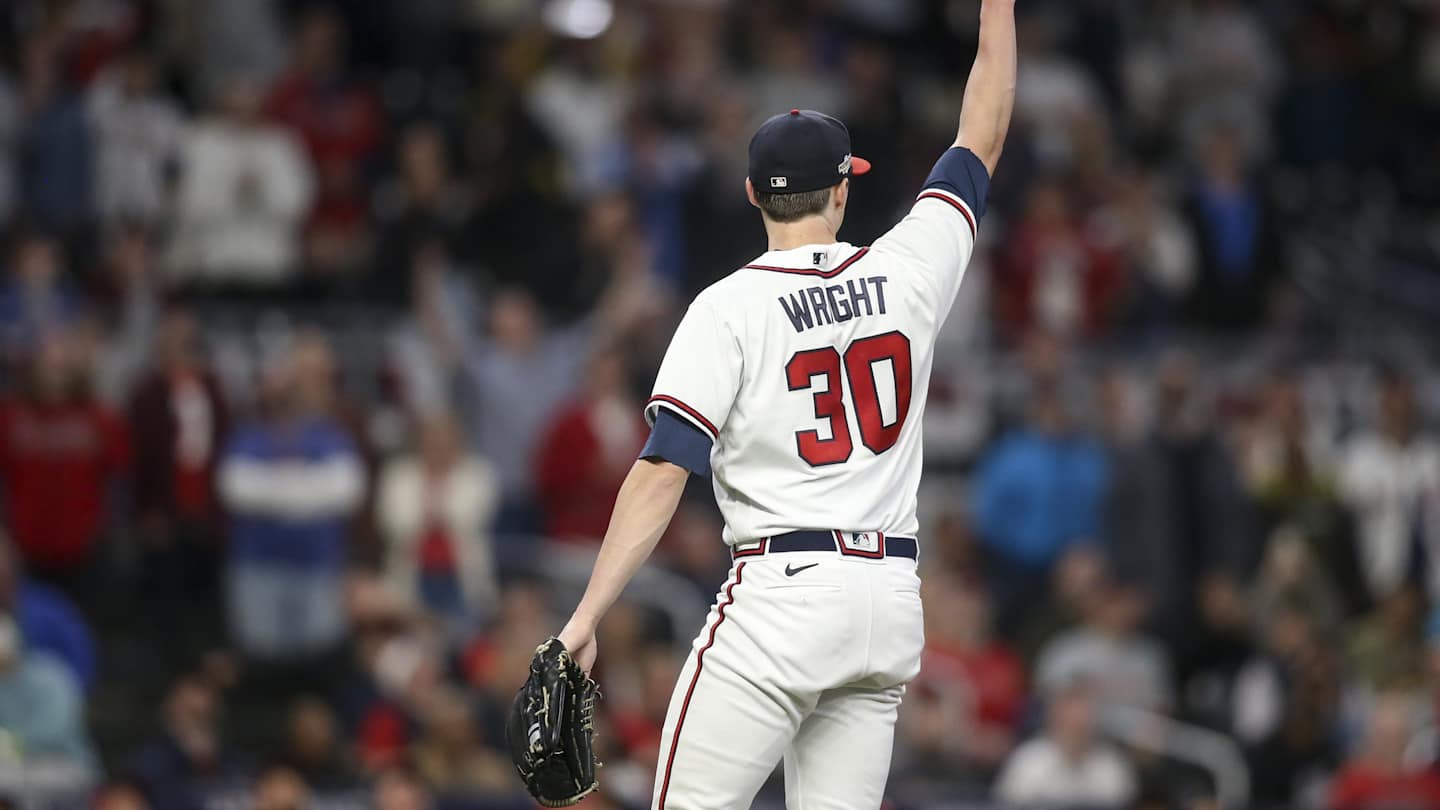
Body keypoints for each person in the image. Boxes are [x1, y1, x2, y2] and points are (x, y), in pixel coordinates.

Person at [544, 1, 1016, 806]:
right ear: (841, 191)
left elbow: (664, 471)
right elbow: (981, 130)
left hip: (782, 594)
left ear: (755, 195)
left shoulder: (727, 308)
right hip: (887, 601)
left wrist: (583, 618)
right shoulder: (909, 269)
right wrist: (997, 7)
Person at [218, 333, 364, 660]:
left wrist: (272, 489)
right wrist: (309, 490)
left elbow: (346, 491)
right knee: (260, 653)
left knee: (318, 654)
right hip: (258, 566)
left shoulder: (329, 434)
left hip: (318, 566)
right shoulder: (249, 435)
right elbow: (236, 490)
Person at [993, 684, 1137, 807]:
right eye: (1070, 724)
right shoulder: (1028, 761)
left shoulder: (1111, 766)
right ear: (1054, 721)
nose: (1076, 730)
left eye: (1082, 725)